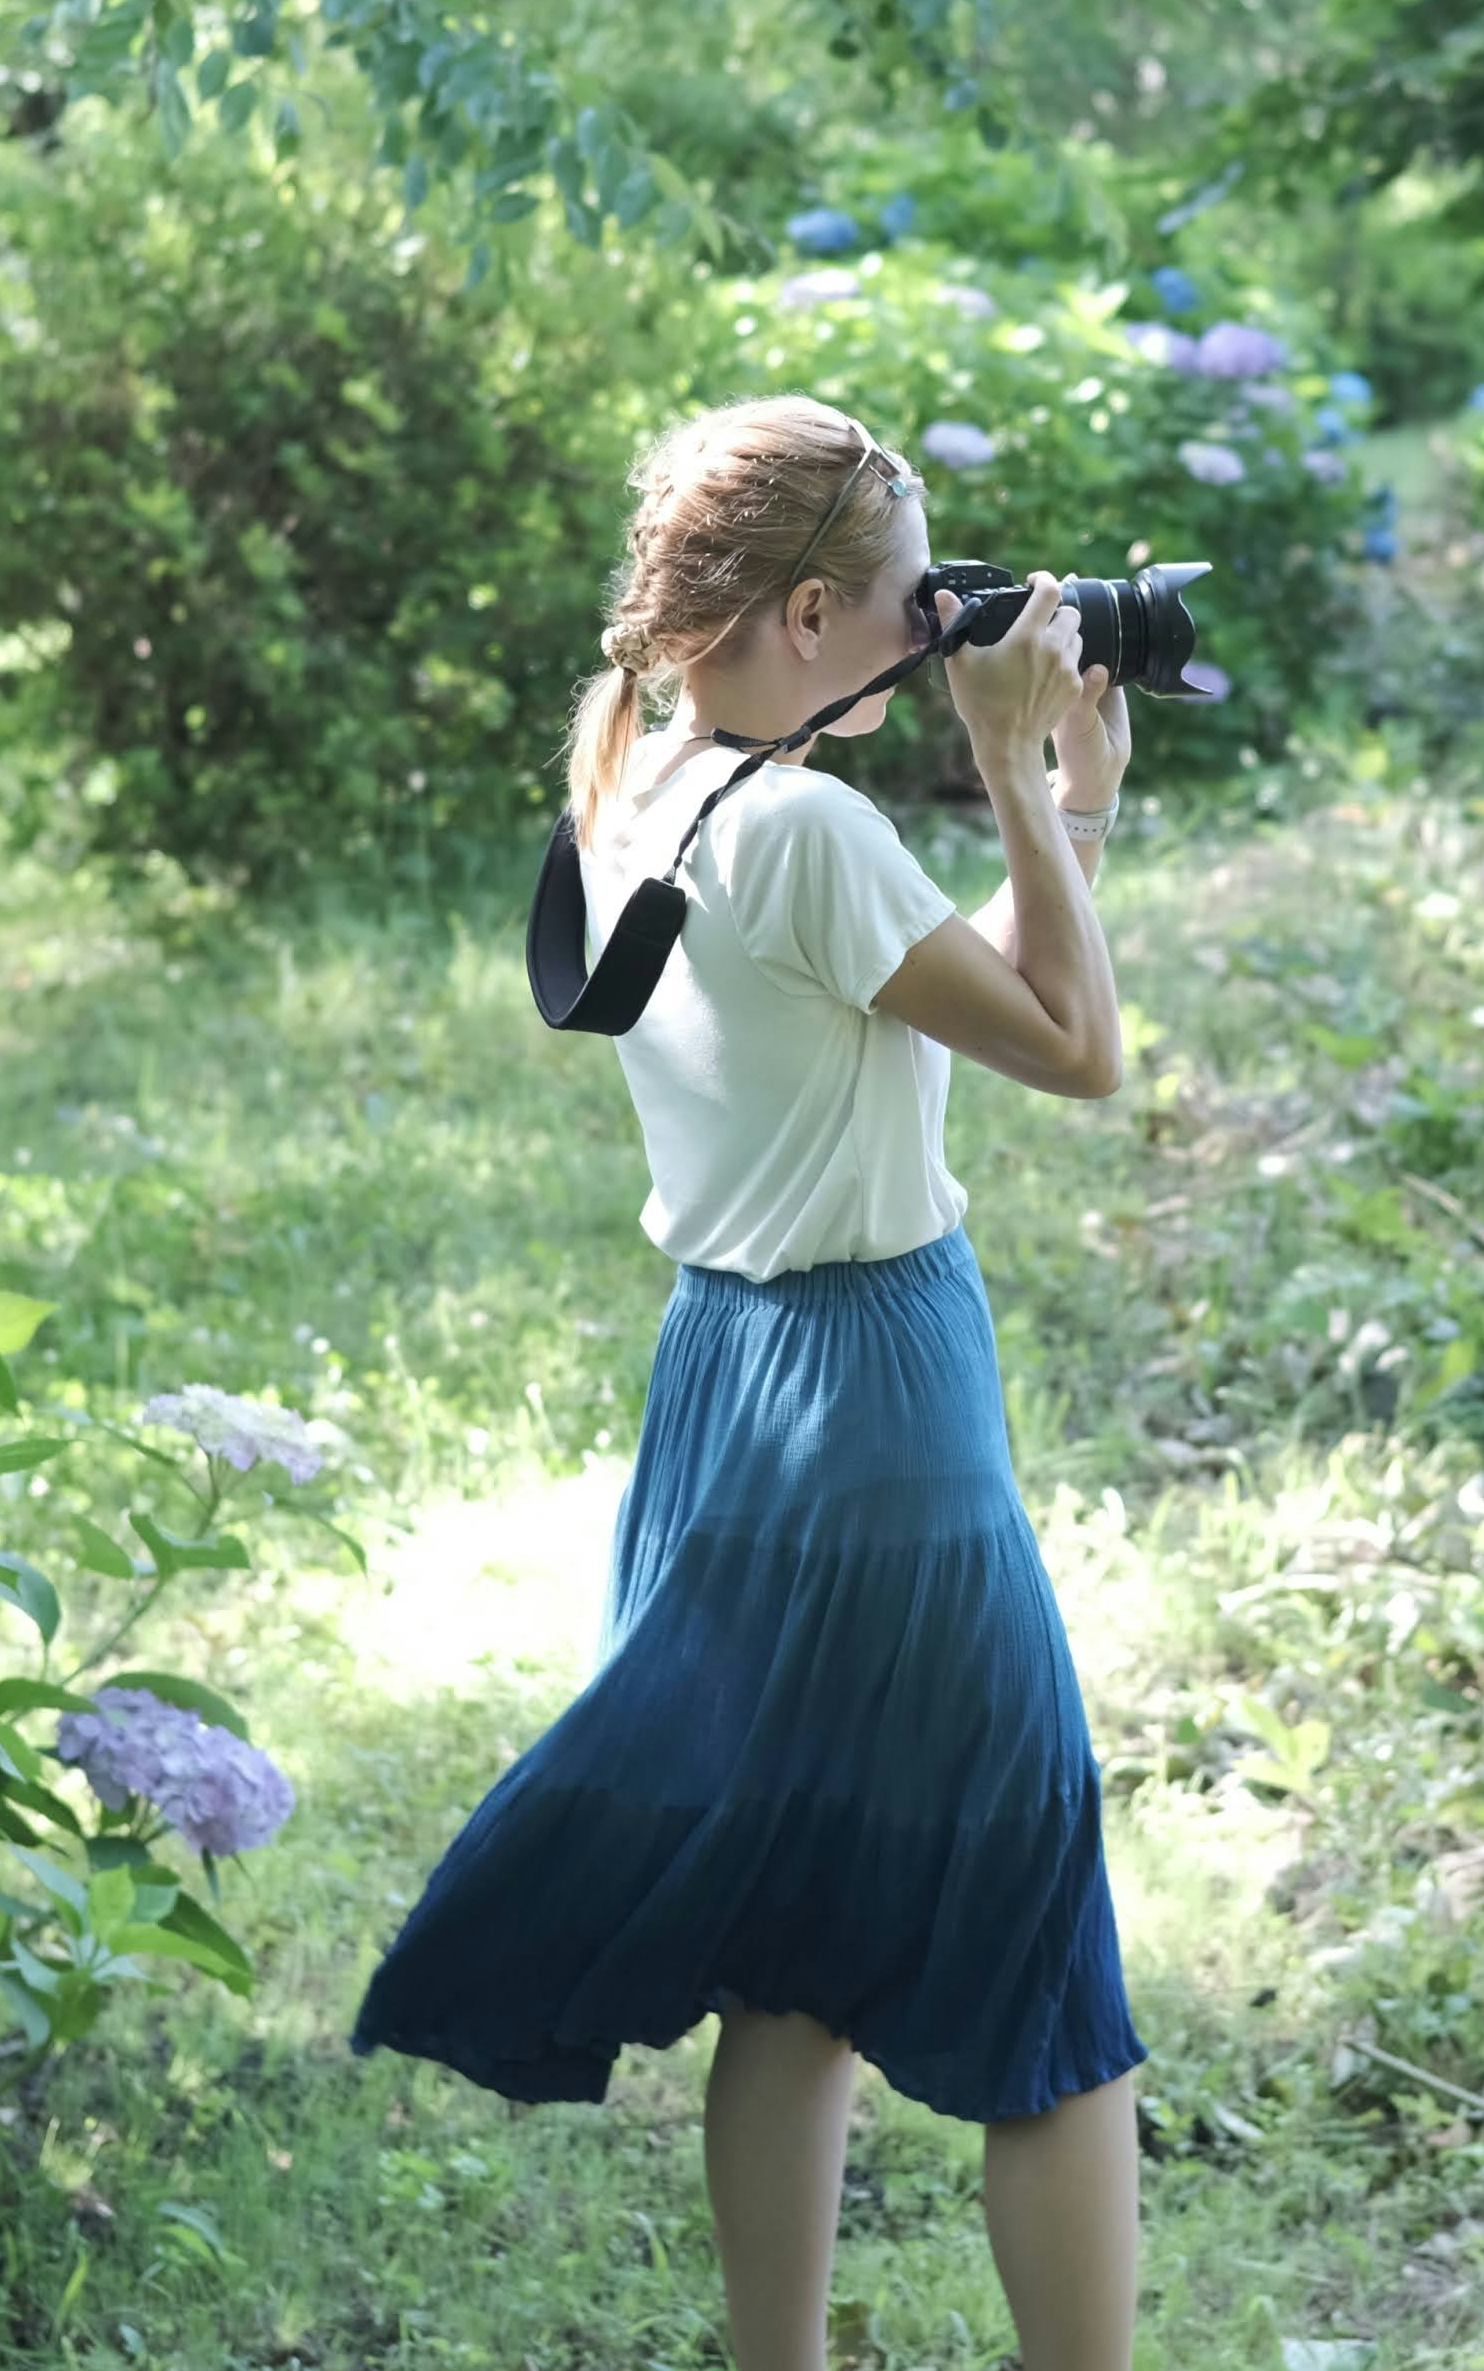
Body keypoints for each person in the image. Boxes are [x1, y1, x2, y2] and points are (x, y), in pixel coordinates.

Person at [351, 394, 1146, 2371]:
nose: (934, 627)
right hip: (883, 1399)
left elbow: (882, 1009)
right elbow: (1077, 1052)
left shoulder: (649, 791)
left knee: (791, 1956)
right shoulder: (809, 823)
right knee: (1037, 1939)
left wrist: (1076, 822)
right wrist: (1011, 777)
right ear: (803, 612)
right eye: (907, 600)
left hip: (726, 1397)